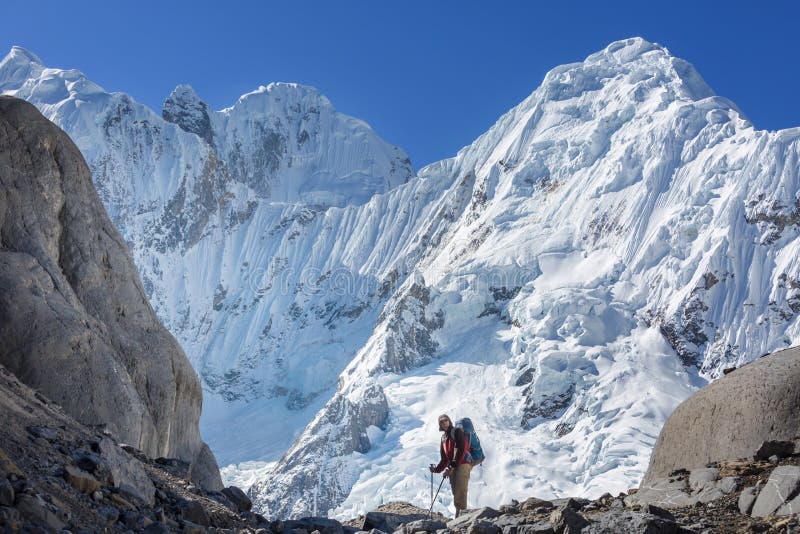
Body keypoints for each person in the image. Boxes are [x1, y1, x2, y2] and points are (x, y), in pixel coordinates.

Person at [429, 414, 472, 517]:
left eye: (445, 420)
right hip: (453, 466)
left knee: (460, 490)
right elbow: (445, 458)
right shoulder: (443, 438)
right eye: (441, 422)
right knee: (455, 491)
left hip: (463, 464)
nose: (444, 423)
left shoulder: (457, 431)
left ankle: (461, 518)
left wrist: (452, 467)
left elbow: (460, 449)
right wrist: (436, 470)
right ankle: (459, 516)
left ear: (449, 421)